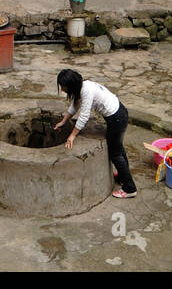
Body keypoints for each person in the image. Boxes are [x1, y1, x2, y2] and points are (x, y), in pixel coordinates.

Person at [54, 69, 136, 198]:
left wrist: (72, 135)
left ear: (71, 85)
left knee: (115, 153)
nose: (62, 89)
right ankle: (122, 177)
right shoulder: (82, 87)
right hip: (118, 114)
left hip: (117, 118)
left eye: (63, 86)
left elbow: (84, 117)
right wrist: (63, 121)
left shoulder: (86, 91)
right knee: (118, 149)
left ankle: (130, 188)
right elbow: (74, 106)